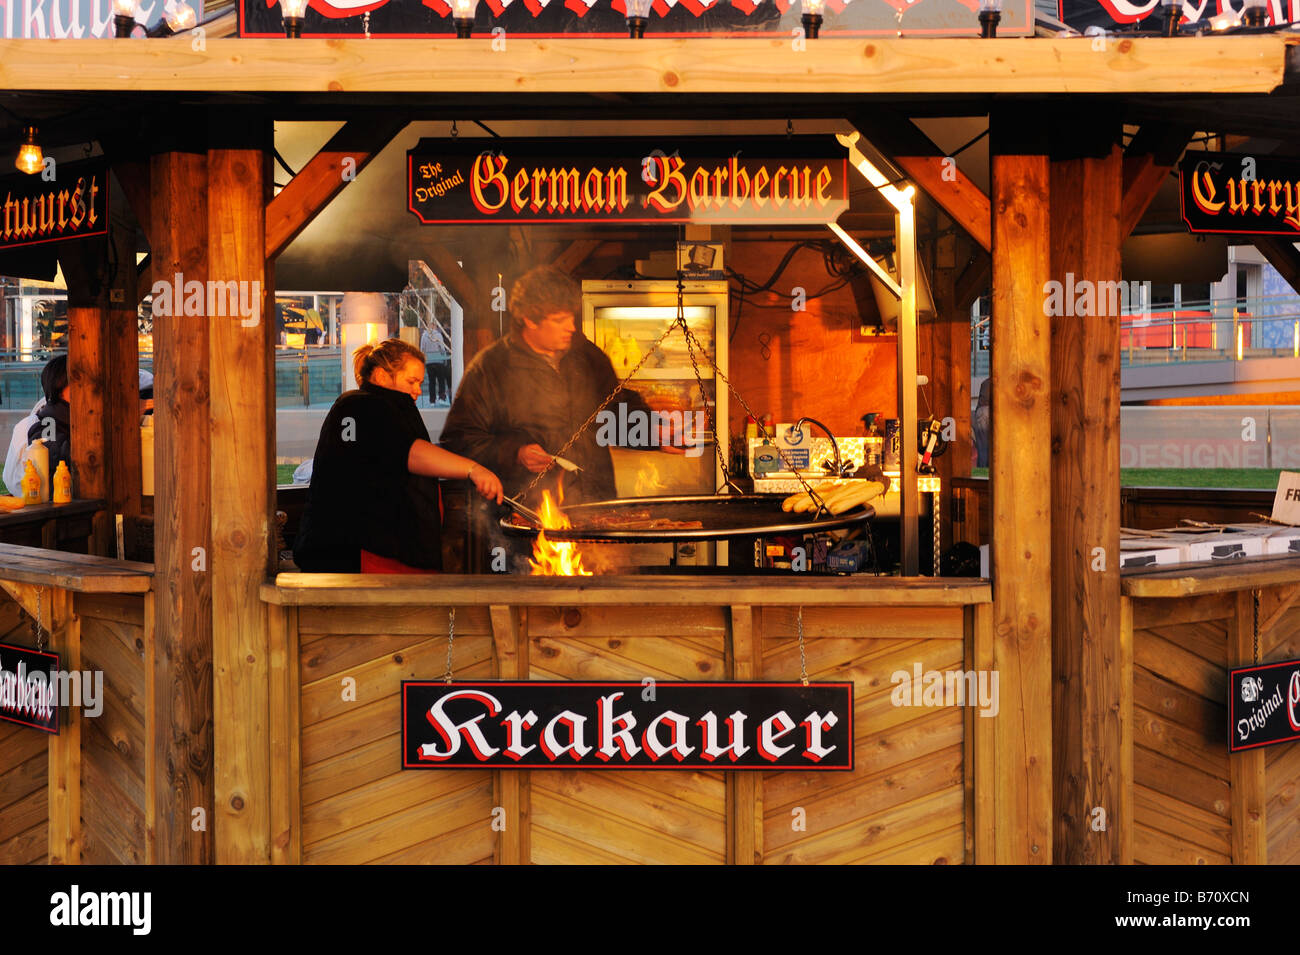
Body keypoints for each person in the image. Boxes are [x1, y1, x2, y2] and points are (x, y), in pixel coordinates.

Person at [440, 265, 680, 509]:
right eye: (559, 320)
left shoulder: (587, 357)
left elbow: (615, 409)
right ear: (530, 320)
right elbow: (459, 439)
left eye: (571, 317)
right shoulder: (491, 368)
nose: (571, 327)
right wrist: (515, 453)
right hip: (531, 511)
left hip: (594, 504)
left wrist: (650, 431)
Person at [293, 339, 503, 574]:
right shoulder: (360, 406)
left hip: (388, 553)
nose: (418, 390)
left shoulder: (386, 407)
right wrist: (473, 469)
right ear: (382, 377)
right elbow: (411, 453)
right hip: (363, 554)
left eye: (420, 383)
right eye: (411, 381)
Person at [419, 323, 452, 405]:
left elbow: (422, 349)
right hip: (439, 361)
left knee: (431, 381)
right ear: (435, 327)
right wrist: (444, 358)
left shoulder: (424, 336)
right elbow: (442, 348)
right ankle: (441, 397)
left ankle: (432, 401)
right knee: (441, 380)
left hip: (429, 361)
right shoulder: (438, 335)